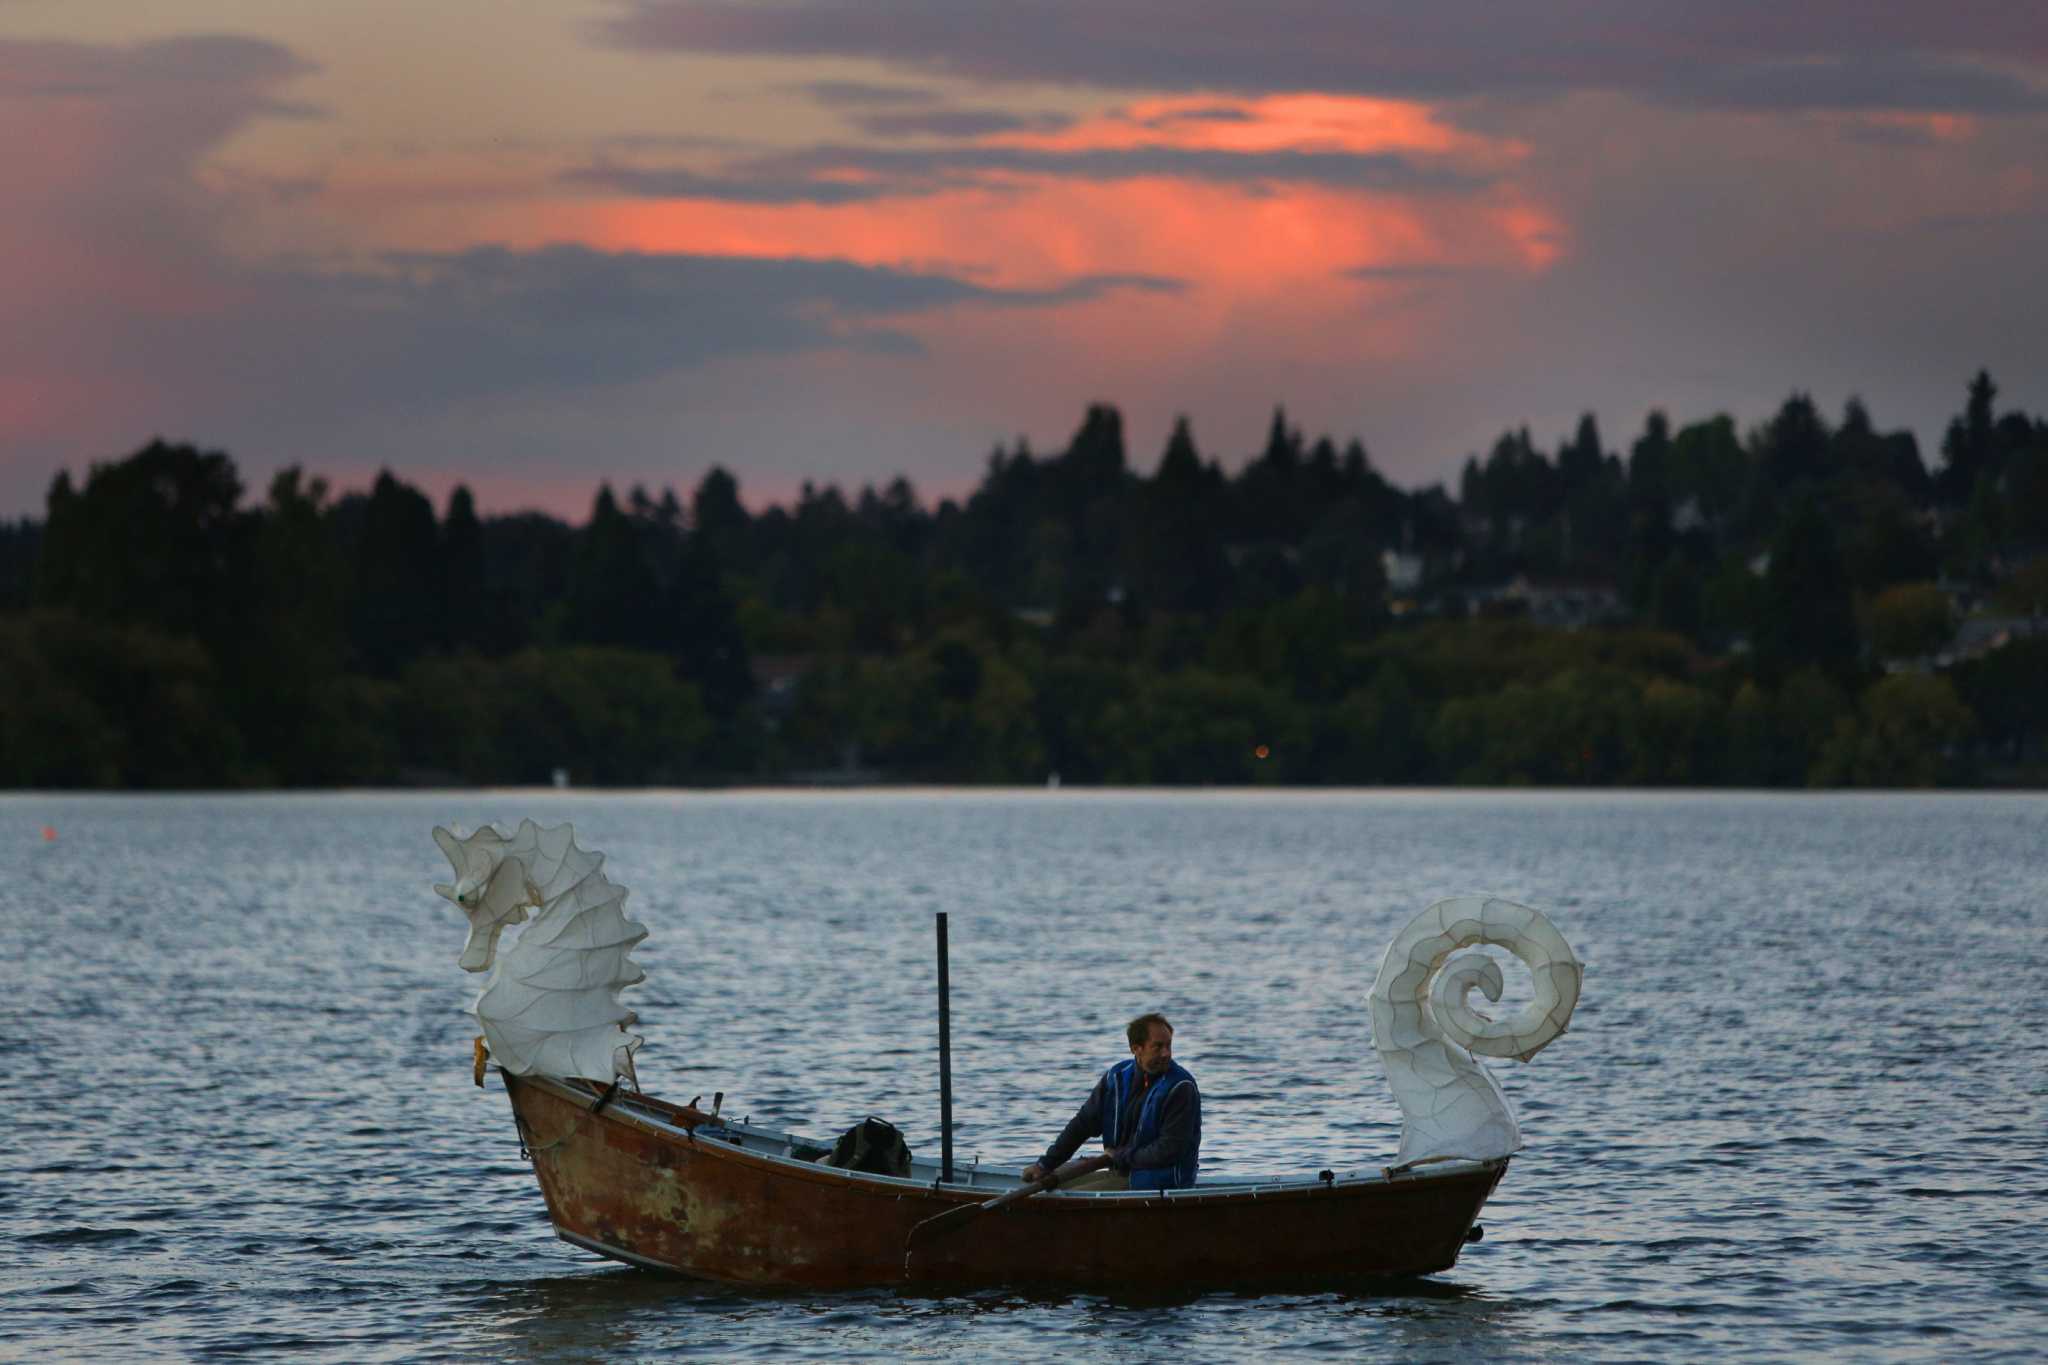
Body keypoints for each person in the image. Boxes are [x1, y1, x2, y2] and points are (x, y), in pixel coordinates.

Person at [1022, 1012, 1200, 1191]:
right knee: (1044, 1184)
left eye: (1169, 1046)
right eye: (1158, 1047)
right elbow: (1082, 1124)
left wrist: (1121, 1156)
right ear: (1136, 1048)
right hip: (1121, 1171)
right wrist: (1045, 1164)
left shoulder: (1180, 1087)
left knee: (1067, 1195)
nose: (1166, 1053)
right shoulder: (1116, 1078)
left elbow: (1169, 1149)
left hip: (1160, 1180)